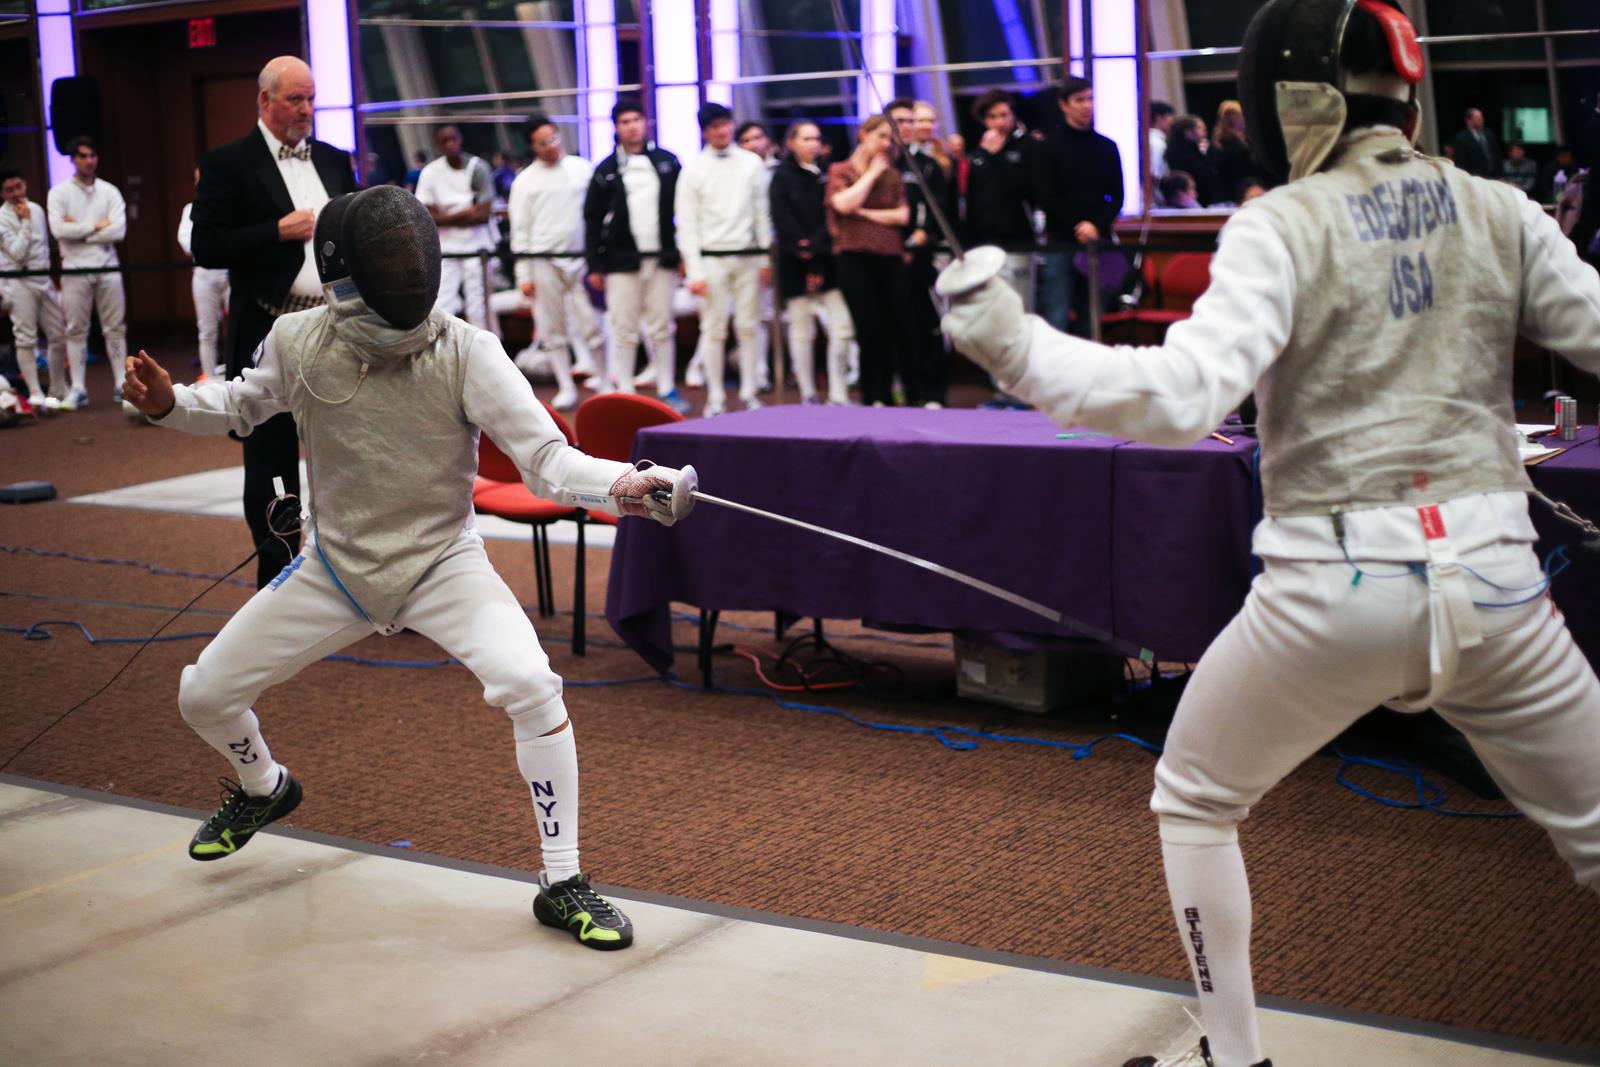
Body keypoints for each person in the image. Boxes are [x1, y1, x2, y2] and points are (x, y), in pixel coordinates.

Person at [940, 3, 1600, 1066]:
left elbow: (1174, 399)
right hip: (1496, 587)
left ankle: (1232, 1055)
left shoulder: (1279, 223)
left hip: (1329, 591)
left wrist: (1010, 344)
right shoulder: (1500, 209)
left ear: (1290, 103)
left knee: (1195, 797)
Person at [122, 185, 697, 950]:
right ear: (346, 273)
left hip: (440, 560)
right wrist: (168, 404)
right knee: (203, 693)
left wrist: (623, 483)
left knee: (531, 682)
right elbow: (241, 405)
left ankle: (563, 880)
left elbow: (546, 458)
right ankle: (264, 787)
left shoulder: (467, 348)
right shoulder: (299, 342)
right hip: (337, 567)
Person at [191, 55, 360, 589]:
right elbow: (205, 246)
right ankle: (279, 582)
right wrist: (275, 231)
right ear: (264, 101)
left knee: (355, 453)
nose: (306, 109)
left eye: (311, 99)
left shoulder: (335, 160)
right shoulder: (228, 163)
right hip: (268, 329)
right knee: (271, 460)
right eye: (295, 99)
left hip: (339, 329)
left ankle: (361, 576)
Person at [675, 103, 771, 416]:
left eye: (725, 124)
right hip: (711, 259)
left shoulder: (751, 163)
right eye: (715, 126)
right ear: (704, 131)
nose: (722, 130)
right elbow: (687, 224)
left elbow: (761, 213)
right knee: (714, 330)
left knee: (748, 326)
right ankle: (715, 395)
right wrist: (694, 271)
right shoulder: (694, 170)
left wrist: (765, 256)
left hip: (747, 257)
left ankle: (749, 391)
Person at [583, 99, 681, 397]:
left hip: (662, 259)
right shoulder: (606, 170)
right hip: (620, 262)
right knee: (623, 328)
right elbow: (592, 219)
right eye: (625, 121)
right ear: (616, 127)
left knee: (662, 326)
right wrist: (595, 266)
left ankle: (667, 387)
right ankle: (623, 388)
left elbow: (685, 210)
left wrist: (683, 255)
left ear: (646, 122)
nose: (632, 126)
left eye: (637, 119)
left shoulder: (668, 162)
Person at [508, 113, 604, 411]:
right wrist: (524, 273)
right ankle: (565, 386)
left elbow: (598, 216)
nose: (551, 146)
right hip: (543, 261)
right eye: (542, 142)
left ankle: (604, 380)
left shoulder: (582, 169)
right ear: (532, 147)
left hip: (581, 259)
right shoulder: (524, 182)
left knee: (593, 323)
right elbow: (520, 230)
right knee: (552, 328)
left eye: (553, 138)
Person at [827, 115, 911, 408]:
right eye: (881, 136)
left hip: (890, 257)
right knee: (868, 329)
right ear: (864, 134)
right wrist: (872, 174)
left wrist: (864, 214)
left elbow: (902, 216)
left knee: (895, 327)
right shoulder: (841, 170)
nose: (886, 144)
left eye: (890, 138)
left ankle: (889, 395)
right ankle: (871, 395)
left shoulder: (894, 175)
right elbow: (843, 204)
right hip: (854, 257)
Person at [771, 121, 855, 405]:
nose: (813, 144)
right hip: (794, 261)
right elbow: (781, 215)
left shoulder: (828, 173)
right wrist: (802, 247)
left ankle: (838, 392)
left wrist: (817, 247)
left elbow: (831, 214)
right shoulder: (781, 175)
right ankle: (808, 392)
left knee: (841, 327)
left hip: (829, 260)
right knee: (801, 329)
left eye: (816, 138)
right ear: (792, 142)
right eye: (806, 138)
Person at [1035, 76, 1124, 338]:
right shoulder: (1048, 148)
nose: (1087, 105)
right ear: (1064, 105)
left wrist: (1096, 225)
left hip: (1098, 239)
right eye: (1079, 100)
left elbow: (1116, 196)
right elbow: (1046, 196)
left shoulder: (1107, 146)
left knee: (1095, 312)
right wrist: (1079, 225)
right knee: (1057, 311)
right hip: (1062, 239)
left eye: (1090, 99)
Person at [47, 137, 128, 414]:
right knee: (75, 329)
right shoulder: (59, 193)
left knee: (115, 327)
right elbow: (59, 231)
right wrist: (96, 226)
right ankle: (79, 387)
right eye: (82, 156)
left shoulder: (110, 191)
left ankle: (121, 384)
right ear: (73, 159)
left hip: (108, 266)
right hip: (74, 268)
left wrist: (79, 230)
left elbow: (118, 231)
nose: (88, 160)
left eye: (92, 155)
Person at [415, 125, 495, 330]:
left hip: (477, 247)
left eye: (454, 139)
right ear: (437, 144)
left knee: (479, 308)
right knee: (443, 305)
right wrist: (465, 212)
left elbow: (483, 215)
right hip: (446, 249)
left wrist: (445, 216)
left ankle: (486, 354)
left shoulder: (477, 167)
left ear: (461, 139)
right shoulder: (430, 172)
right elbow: (427, 217)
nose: (450, 144)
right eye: (445, 141)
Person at [963, 90, 1038, 310]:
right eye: (993, 117)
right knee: (988, 304)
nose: (1000, 121)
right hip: (983, 242)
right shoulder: (977, 153)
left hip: (1017, 239)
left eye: (1004, 115)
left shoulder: (1028, 146)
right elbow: (972, 197)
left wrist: (997, 157)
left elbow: (1026, 188)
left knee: (1019, 301)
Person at [0, 170, 67, 411]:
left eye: (18, 186)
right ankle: (36, 392)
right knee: (25, 338)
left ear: (25, 184)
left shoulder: (37, 209)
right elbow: (17, 253)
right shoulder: (2, 217)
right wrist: (25, 221)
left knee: (58, 336)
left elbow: (43, 249)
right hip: (19, 282)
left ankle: (58, 388)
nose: (16, 193)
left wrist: (50, 281)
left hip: (43, 280)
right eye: (9, 190)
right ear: (2, 193)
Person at [177, 168, 230, 381]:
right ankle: (208, 377)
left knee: (239, 327)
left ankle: (241, 376)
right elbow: (187, 243)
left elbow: (235, 241)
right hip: (203, 275)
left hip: (230, 272)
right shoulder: (190, 210)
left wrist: (212, 244)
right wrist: (216, 244)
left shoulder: (229, 208)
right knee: (207, 331)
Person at [1165, 115, 1221, 205]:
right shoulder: (1183, 153)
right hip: (1189, 197)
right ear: (1188, 132)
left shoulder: (1192, 148)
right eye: (1199, 127)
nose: (1204, 130)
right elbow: (1202, 173)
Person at [1208, 100, 1254, 205]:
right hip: (1236, 196)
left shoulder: (1216, 142)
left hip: (1221, 196)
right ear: (1236, 119)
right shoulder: (1237, 145)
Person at [1448, 107, 1502, 179]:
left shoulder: (1489, 134)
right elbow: (1461, 162)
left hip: (1493, 175)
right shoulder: (1461, 139)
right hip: (1475, 176)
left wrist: (1500, 174)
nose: (1481, 120)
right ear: (1468, 120)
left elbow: (1496, 155)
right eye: (1477, 118)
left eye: (1481, 117)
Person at [1150, 101, 1176, 179]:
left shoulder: (1153, 139)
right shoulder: (1156, 142)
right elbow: (1155, 173)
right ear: (1158, 117)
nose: (1172, 121)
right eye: (1169, 116)